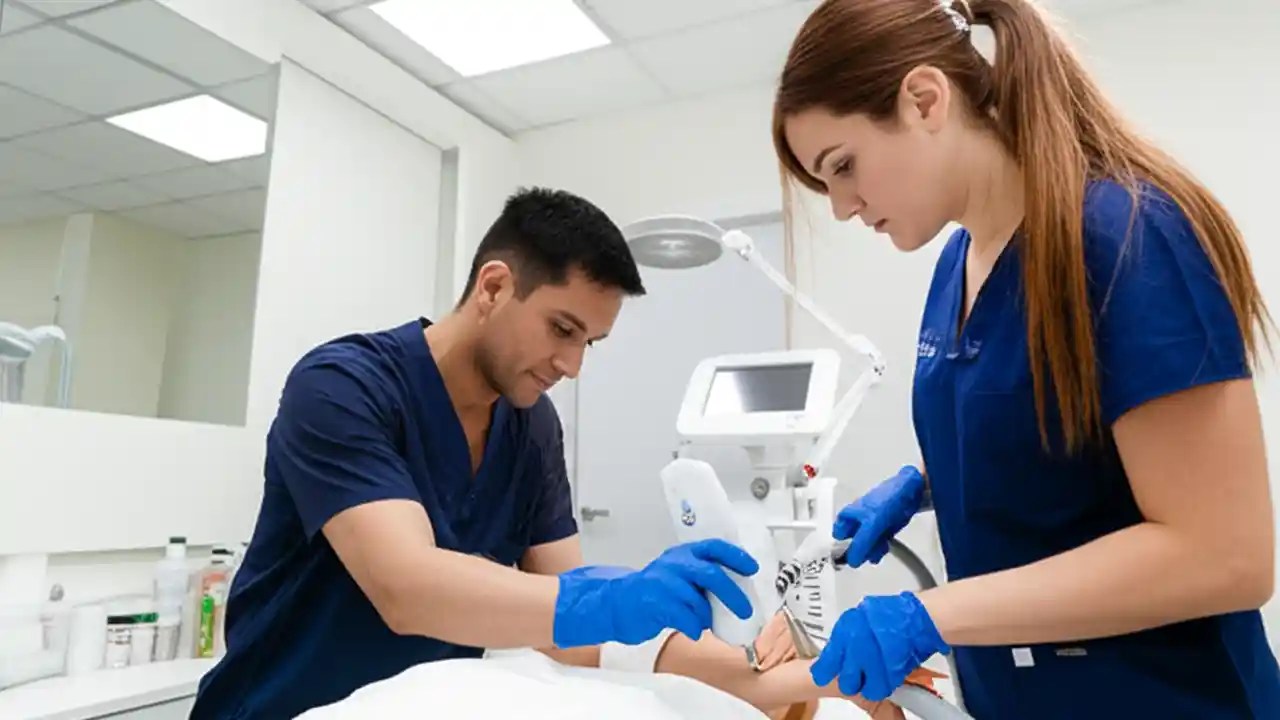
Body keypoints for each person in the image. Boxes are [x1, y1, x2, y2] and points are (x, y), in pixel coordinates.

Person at [770, 0, 1280, 717]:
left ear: (924, 100)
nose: (843, 207)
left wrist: (933, 617)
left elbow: (1224, 556)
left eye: (843, 166)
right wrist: (926, 486)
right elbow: (1061, 440)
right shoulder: (958, 264)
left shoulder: (1126, 236)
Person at [190, 187, 766, 719]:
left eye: (588, 342)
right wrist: (614, 595)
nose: (572, 365)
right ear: (493, 287)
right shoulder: (343, 387)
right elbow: (407, 588)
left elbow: (568, 630)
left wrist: (771, 672)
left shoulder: (532, 426)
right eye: (561, 329)